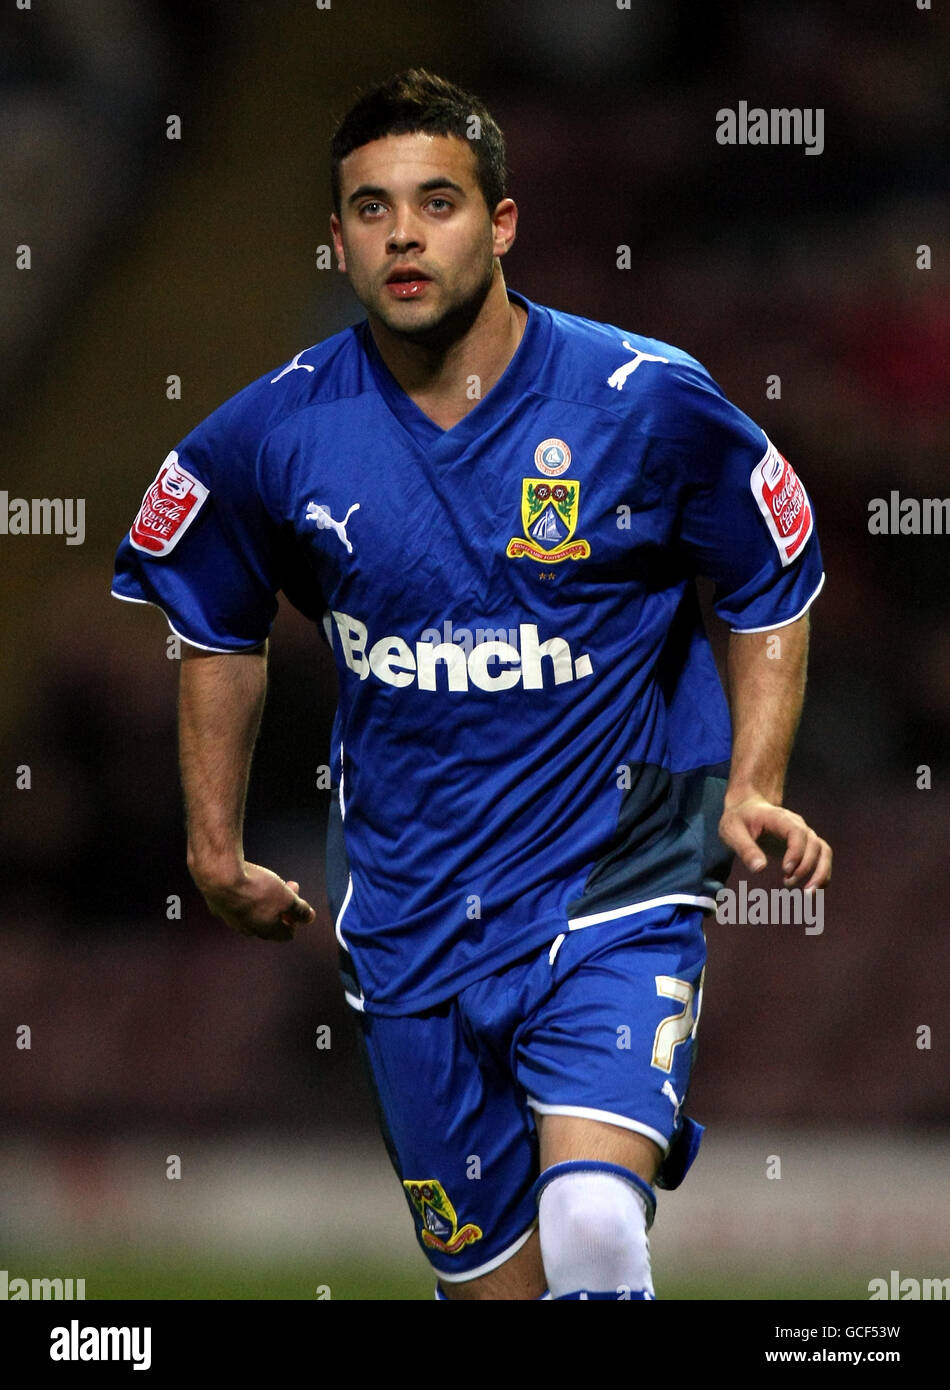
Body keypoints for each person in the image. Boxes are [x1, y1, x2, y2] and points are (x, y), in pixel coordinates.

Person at [112, 69, 831, 1301]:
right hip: (410, 912)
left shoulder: (639, 400)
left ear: (500, 223)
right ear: (333, 240)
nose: (401, 232)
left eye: (436, 202)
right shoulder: (270, 437)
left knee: (597, 1222)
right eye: (370, 208)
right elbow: (218, 623)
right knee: (492, 1289)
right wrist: (215, 847)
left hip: (623, 865)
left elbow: (767, 572)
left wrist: (753, 782)